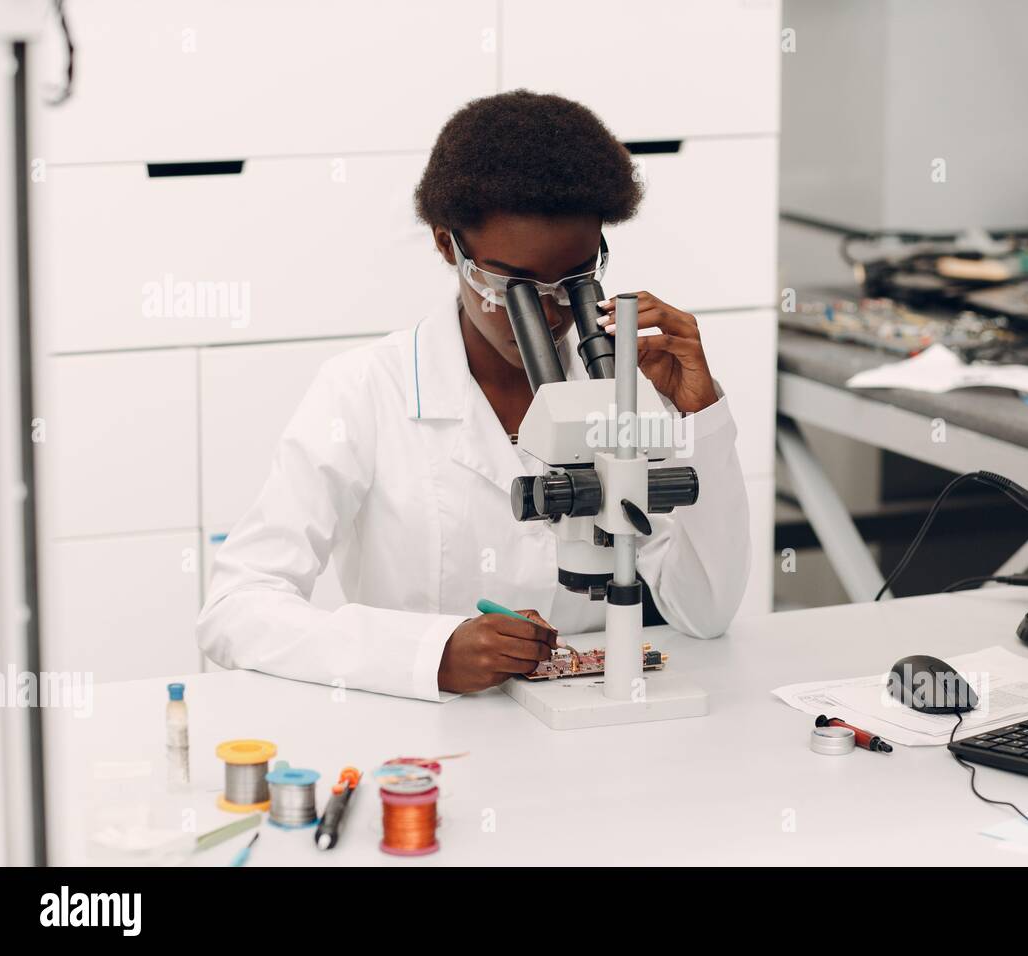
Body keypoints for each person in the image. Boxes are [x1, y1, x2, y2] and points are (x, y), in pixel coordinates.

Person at [197, 90, 750, 700]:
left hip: (591, 722)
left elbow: (706, 613)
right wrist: (427, 653)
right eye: (511, 284)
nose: (546, 311)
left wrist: (700, 417)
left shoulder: (624, 386)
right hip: (431, 736)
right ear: (446, 245)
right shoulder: (363, 390)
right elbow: (236, 609)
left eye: (574, 281)